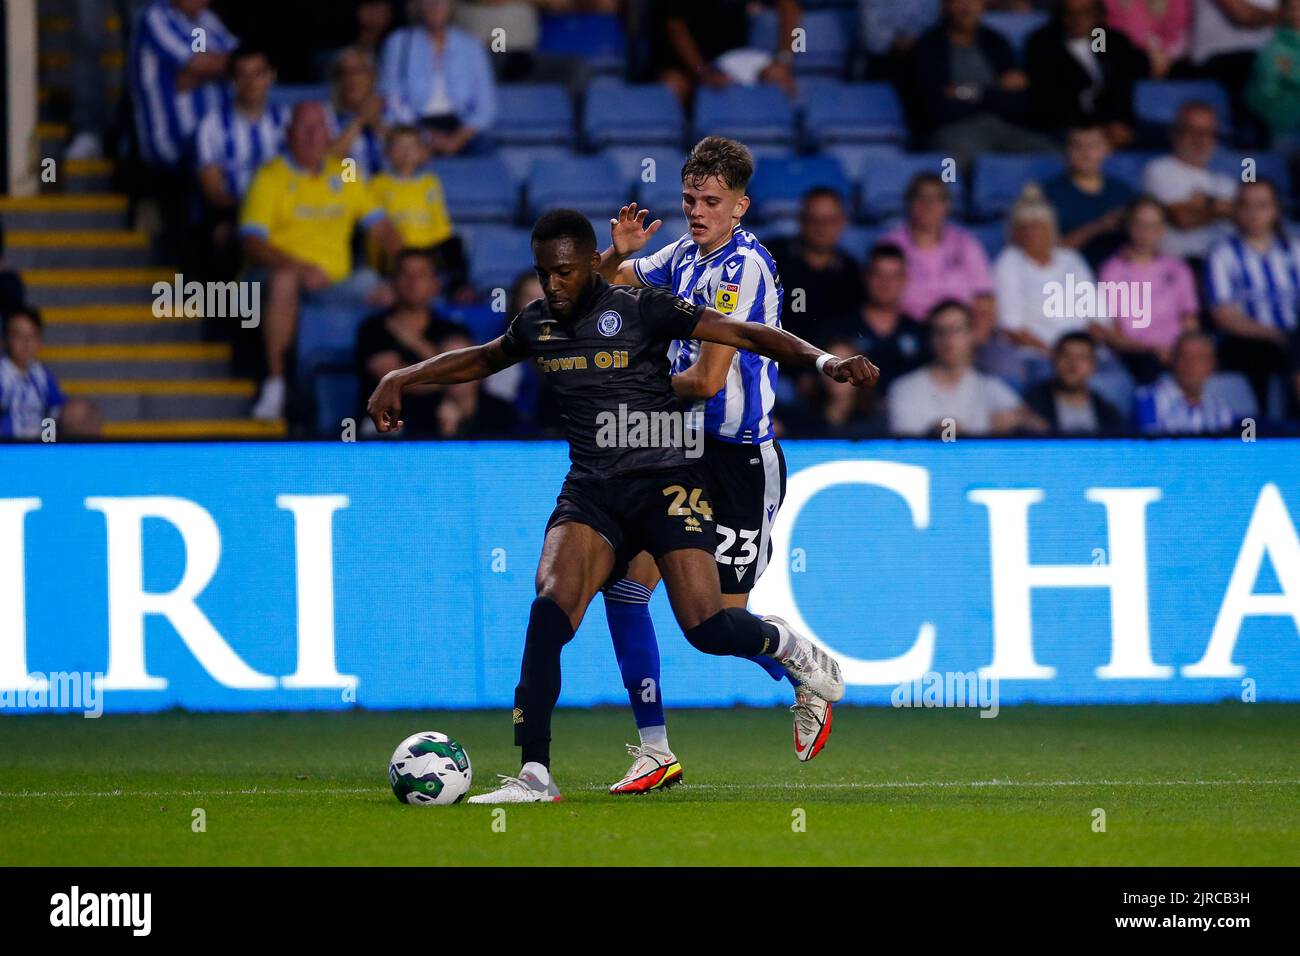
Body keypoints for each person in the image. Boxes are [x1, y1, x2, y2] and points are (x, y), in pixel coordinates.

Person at [366, 209, 879, 803]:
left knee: (709, 628)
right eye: (542, 273)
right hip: (592, 490)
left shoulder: (643, 309)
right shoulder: (537, 324)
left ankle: (787, 647)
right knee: (548, 611)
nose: (552, 285)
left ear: (590, 265)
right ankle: (537, 774)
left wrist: (826, 362)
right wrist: (401, 377)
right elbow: (482, 359)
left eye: (562, 273)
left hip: (666, 479)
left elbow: (742, 333)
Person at [595, 137, 834, 791]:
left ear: (740, 206)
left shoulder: (742, 270)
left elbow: (705, 381)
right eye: (689, 199)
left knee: (716, 625)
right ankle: (655, 751)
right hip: (679, 454)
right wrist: (618, 251)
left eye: (711, 202)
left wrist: (628, 388)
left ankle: (793, 654)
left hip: (737, 462)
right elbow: (599, 288)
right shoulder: (681, 254)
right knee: (624, 586)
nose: (697, 211)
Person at [240, 101, 402, 421]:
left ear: (330, 133)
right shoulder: (270, 175)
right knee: (285, 282)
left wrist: (407, 264)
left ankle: (382, 400)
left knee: (391, 292)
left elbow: (382, 228)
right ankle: (275, 386)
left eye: (320, 128)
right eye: (305, 128)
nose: (314, 136)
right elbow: (251, 242)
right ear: (288, 134)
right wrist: (299, 269)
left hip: (337, 281)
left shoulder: (345, 171)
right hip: (277, 275)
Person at [127, 0, 239, 263]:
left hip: (219, 141)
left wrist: (200, 71)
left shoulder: (207, 21)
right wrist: (208, 68)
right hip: (173, 141)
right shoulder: (155, 16)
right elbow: (203, 63)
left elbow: (242, 63)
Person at [905, 0, 1056, 167]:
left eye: (973, 1)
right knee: (952, 168)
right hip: (951, 131)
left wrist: (964, 92)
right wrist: (995, 91)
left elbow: (1018, 101)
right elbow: (936, 108)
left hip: (1001, 127)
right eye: (958, 1)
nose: (966, 7)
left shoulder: (995, 42)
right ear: (945, 5)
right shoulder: (927, 47)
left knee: (1055, 157)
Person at [194, 48, 290, 280]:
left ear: (271, 76)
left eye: (258, 74)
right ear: (233, 81)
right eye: (242, 75)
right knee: (223, 235)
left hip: (286, 209)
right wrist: (253, 208)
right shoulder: (212, 125)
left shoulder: (287, 120)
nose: (251, 83)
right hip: (235, 210)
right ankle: (227, 313)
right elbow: (213, 191)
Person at [355, 249, 473, 437]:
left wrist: (413, 341)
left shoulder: (453, 329)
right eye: (405, 274)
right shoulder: (373, 328)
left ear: (435, 284)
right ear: (393, 282)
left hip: (441, 425)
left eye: (421, 274)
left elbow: (466, 382)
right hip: (387, 429)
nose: (413, 282)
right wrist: (450, 377)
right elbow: (394, 381)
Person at [1205, 178, 1300, 411]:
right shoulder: (1222, 253)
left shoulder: (1295, 249)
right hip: (1248, 341)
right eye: (1246, 205)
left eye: (1262, 205)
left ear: (1275, 210)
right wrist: (1276, 335)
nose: (1253, 213)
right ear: (1236, 210)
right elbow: (1223, 316)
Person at [989, 184, 1097, 388]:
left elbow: (1093, 314)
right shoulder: (1008, 262)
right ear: (1015, 232)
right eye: (1025, 227)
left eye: (1038, 226)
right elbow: (1012, 328)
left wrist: (1083, 353)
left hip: (1081, 351)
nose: (1032, 233)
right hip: (1038, 355)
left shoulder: (1071, 259)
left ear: (1050, 229)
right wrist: (1059, 356)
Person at [888, 300, 1046, 436]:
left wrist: (1018, 419)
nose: (948, 339)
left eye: (956, 330)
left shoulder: (990, 386)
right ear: (930, 338)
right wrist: (947, 432)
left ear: (971, 335)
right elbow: (905, 447)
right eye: (940, 331)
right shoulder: (905, 389)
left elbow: (1041, 427)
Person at [1093, 196, 1201, 383]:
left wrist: (1181, 351)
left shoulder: (1178, 268)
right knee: (1149, 367)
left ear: (1162, 230)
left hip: (1177, 351)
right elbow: (1113, 332)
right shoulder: (1112, 270)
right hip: (1137, 353)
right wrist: (1151, 349)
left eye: (1153, 226)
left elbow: (1190, 321)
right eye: (1140, 225)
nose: (1146, 233)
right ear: (1129, 226)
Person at [882, 173, 996, 336]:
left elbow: (985, 300)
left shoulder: (965, 243)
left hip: (960, 334)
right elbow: (882, 298)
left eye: (936, 199)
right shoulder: (891, 244)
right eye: (921, 198)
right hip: (909, 333)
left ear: (947, 205)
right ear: (909, 203)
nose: (928, 205)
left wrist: (973, 341)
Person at [378, 0, 496, 156]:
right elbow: (390, 98)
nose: (435, 7)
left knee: (485, 148)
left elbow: (486, 106)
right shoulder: (398, 42)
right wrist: (425, 135)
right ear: (418, 5)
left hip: (461, 125)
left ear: (452, 6)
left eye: (442, 2)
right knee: (400, 148)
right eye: (429, 2)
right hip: (413, 125)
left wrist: (458, 138)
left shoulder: (472, 46)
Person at [1025, 0, 1151, 145]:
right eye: (1070, 13)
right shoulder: (1044, 43)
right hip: (1066, 127)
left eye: (1086, 13)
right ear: (1060, 15)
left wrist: (1117, 121)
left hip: (1112, 124)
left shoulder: (1105, 39)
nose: (1078, 19)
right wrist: (1095, 130)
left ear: (1098, 15)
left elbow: (1117, 82)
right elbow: (1052, 96)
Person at [368, 126, 467, 294]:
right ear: (387, 152)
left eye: (412, 147)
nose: (406, 153)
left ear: (421, 152)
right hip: (395, 256)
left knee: (454, 245)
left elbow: (440, 226)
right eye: (400, 147)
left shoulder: (430, 182)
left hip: (427, 253)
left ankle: (459, 291)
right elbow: (377, 230)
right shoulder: (377, 184)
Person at [764, 188, 864, 346]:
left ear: (842, 223)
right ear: (801, 221)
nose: (821, 227)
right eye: (813, 219)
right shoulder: (772, 257)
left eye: (829, 220)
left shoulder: (850, 271)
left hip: (828, 363)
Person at [1140, 100, 1238, 258]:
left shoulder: (1226, 181)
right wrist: (1223, 208)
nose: (1200, 140)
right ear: (1174, 133)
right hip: (1180, 267)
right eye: (1191, 131)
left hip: (1223, 266)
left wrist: (1206, 205)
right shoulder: (1159, 170)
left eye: (1208, 133)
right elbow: (1183, 219)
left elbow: (1251, 218)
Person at [650, 0, 801, 102]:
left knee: (780, 77)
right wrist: (704, 72)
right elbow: (676, 30)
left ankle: (778, 142)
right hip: (686, 65)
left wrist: (785, 57)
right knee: (672, 87)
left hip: (735, 58)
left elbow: (791, 10)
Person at [1042, 122, 1136, 269]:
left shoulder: (1124, 193)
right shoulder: (1048, 193)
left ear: (1107, 149)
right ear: (1066, 150)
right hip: (1065, 279)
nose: (1085, 153)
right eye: (1077, 145)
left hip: (1118, 279)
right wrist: (1098, 227)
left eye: (1093, 145)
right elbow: (1042, 251)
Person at [840, 243, 931, 392]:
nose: (885, 283)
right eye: (878, 275)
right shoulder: (842, 331)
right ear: (866, 277)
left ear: (904, 280)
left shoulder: (921, 333)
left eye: (893, 276)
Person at [1, 307, 102, 439]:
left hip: (39, 443)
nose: (26, 343)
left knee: (81, 413)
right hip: (6, 447)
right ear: (5, 340)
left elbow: (58, 407)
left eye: (31, 336)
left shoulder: (40, 374)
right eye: (18, 336)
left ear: (39, 341)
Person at [1134, 330, 1237, 432]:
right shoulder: (1148, 400)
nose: (1191, 365)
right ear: (1173, 360)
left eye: (1199, 359)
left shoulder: (1220, 408)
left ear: (1212, 365)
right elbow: (1151, 446)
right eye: (1184, 356)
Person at [1024, 331, 1127, 433]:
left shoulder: (1108, 414)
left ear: (1093, 365)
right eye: (1066, 356)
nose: (1073, 365)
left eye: (1081, 358)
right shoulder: (1031, 405)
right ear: (1054, 360)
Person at [324, 47, 389, 180]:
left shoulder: (395, 108)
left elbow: (416, 151)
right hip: (345, 191)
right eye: (344, 73)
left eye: (358, 71)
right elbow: (322, 160)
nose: (350, 79)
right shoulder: (324, 114)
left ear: (373, 76)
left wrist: (378, 126)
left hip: (391, 192)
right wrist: (359, 121)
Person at [1245, 0, 1300, 145]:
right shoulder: (1274, 50)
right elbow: (1263, 97)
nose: (1297, 14)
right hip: (1285, 131)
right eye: (1293, 9)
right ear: (1283, 12)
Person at [1103, 0, 1193, 78]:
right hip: (1126, 59)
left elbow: (1180, 29)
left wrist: (1166, 54)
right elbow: (1117, 27)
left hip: (1169, 62)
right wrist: (1150, 50)